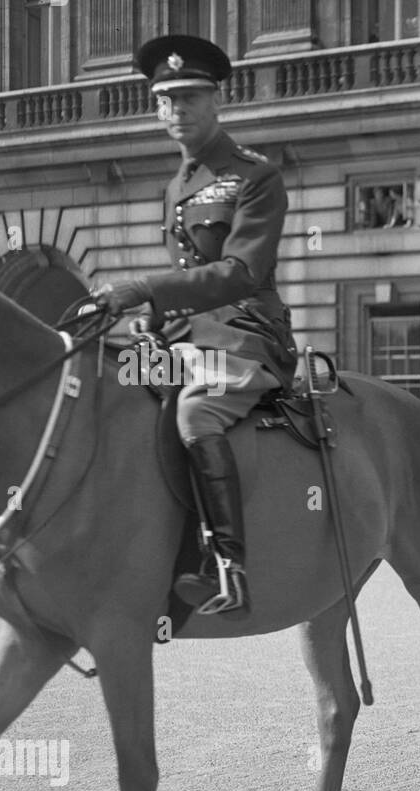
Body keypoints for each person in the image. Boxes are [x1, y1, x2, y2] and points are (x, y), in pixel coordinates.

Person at [95, 35, 296, 617]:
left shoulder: (255, 176)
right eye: (164, 100)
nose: (174, 110)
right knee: (116, 388)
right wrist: (148, 324)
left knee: (194, 411)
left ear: (215, 101)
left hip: (246, 335)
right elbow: (188, 272)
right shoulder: (176, 186)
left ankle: (227, 566)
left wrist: (145, 288)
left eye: (187, 98)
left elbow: (239, 272)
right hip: (185, 341)